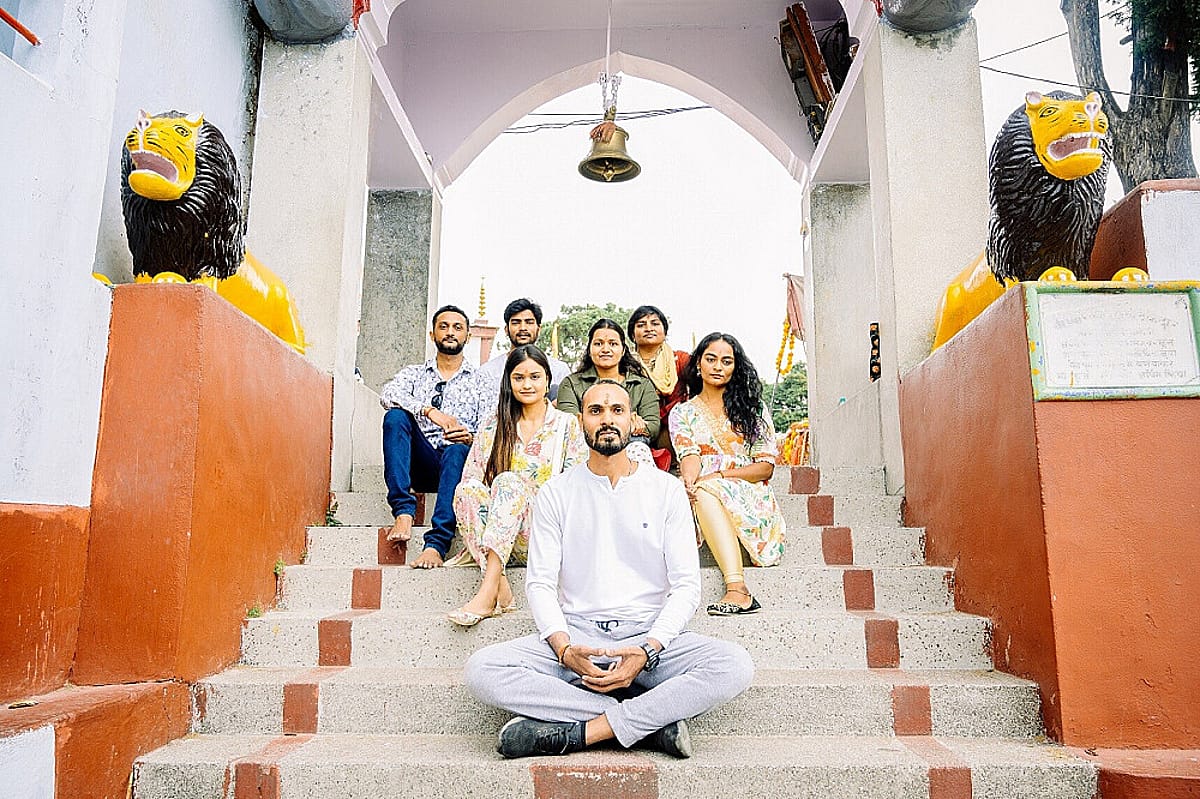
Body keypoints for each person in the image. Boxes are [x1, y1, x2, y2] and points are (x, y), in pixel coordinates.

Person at [464, 381, 754, 759]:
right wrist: (564, 648)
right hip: (577, 637)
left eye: (617, 410)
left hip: (649, 638)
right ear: (580, 421)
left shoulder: (665, 490)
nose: (606, 419)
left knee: (734, 665)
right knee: (482, 669)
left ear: (633, 420)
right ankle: (651, 725)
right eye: (595, 411)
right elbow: (538, 583)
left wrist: (648, 649)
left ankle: (581, 733)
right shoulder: (556, 492)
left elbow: (686, 586)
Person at [448, 345, 587, 626]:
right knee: (465, 490)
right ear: (509, 382)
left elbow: (578, 488)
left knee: (509, 481)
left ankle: (489, 591)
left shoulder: (566, 424)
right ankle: (498, 581)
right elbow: (471, 478)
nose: (527, 384)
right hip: (498, 538)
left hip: (545, 533)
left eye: (535, 377)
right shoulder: (494, 424)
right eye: (519, 377)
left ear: (547, 379)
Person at [669, 332, 785, 615]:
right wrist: (689, 481)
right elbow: (690, 454)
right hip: (707, 491)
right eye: (711, 359)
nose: (718, 367)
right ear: (698, 364)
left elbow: (766, 466)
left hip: (749, 492)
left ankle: (736, 588)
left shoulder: (753, 409)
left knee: (706, 489)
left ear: (736, 368)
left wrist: (720, 477)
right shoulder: (682, 413)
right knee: (700, 491)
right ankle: (738, 589)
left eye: (726, 361)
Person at [379, 304, 485, 570]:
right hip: (420, 461)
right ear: (432, 334)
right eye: (444, 326)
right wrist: (429, 411)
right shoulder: (414, 374)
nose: (450, 332)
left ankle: (436, 545)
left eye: (458, 327)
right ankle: (404, 509)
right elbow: (388, 393)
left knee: (457, 448)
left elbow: (491, 427)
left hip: (458, 466)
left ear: (468, 337)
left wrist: (470, 437)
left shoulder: (482, 381)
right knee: (395, 417)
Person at [555, 318, 660, 464]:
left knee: (638, 449)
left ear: (623, 350)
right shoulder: (571, 384)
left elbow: (653, 426)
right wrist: (628, 422)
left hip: (631, 447)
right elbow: (571, 424)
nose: (605, 349)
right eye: (598, 344)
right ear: (590, 349)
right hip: (584, 447)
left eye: (613, 344)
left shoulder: (641, 384)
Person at [476, 298, 571, 409]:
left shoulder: (559, 370)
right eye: (516, 323)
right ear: (506, 329)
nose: (523, 328)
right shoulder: (488, 372)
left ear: (538, 329)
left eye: (529, 322)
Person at [628, 305, 690, 457]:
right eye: (641, 325)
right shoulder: (625, 364)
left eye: (655, 324)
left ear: (665, 331)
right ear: (632, 335)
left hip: (672, 426)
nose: (649, 328)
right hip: (636, 426)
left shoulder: (680, 360)